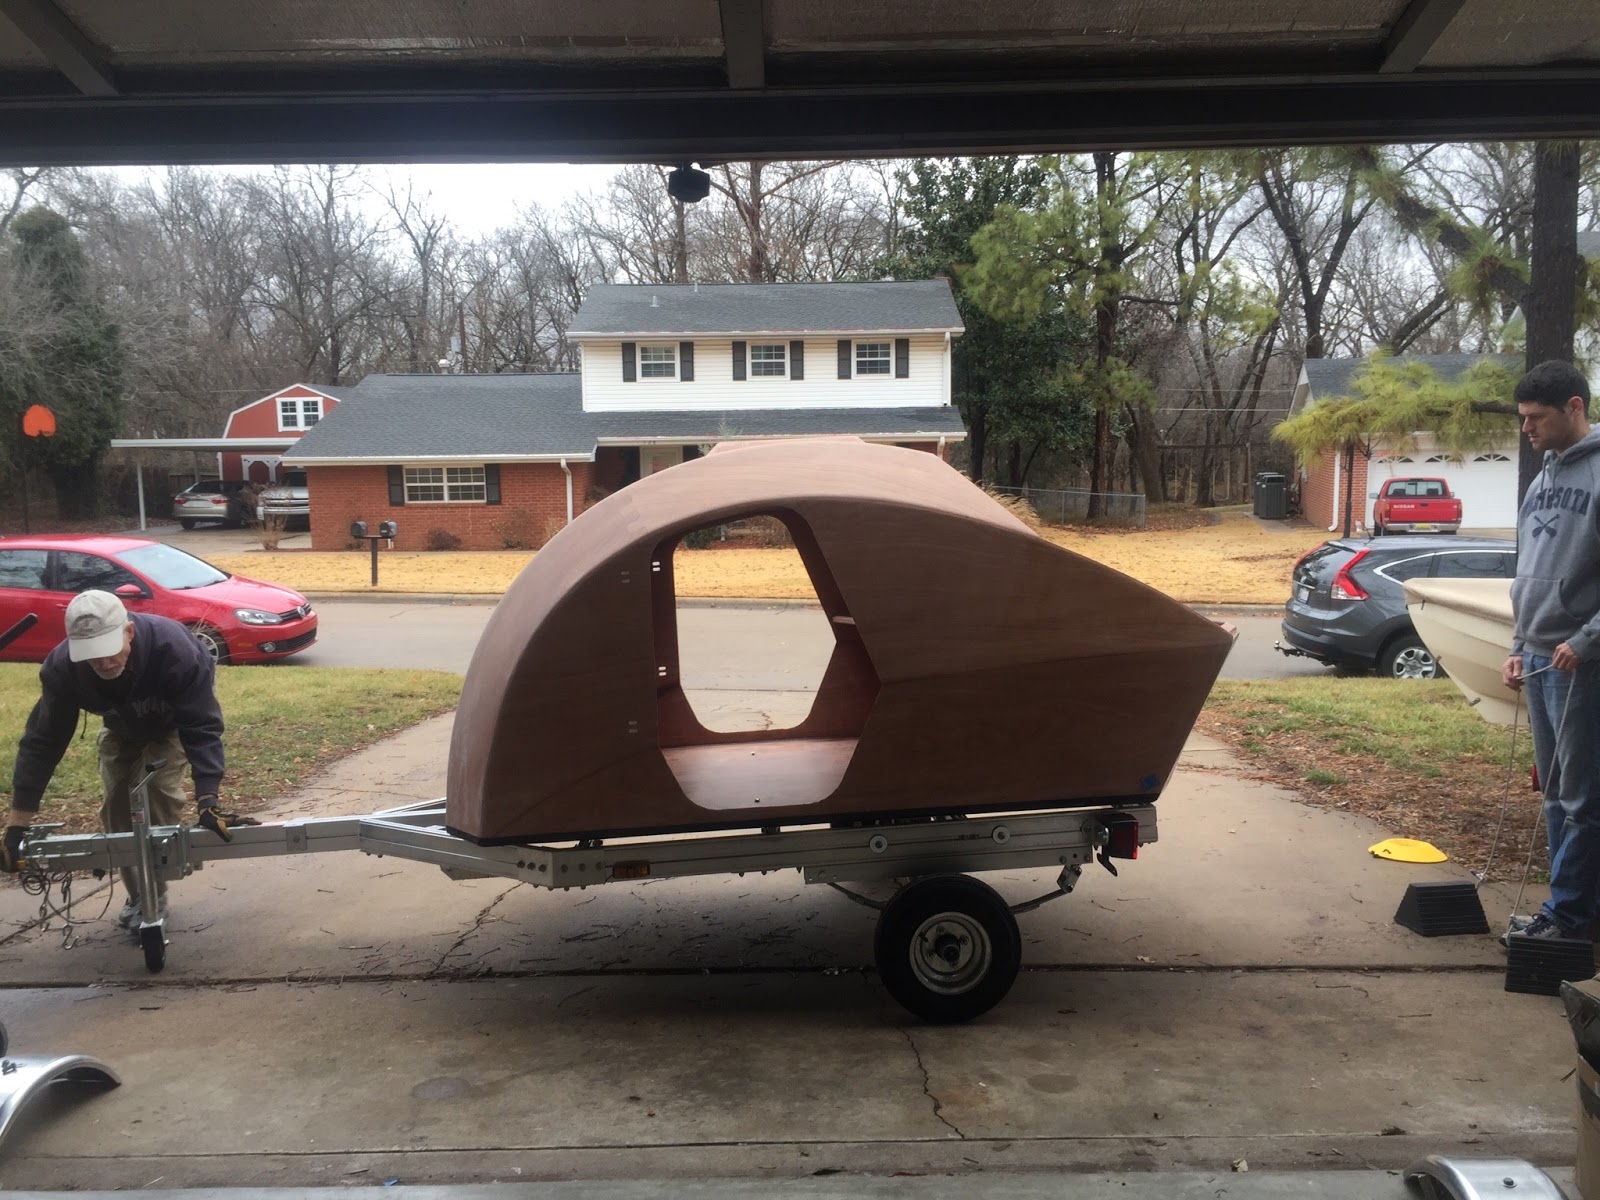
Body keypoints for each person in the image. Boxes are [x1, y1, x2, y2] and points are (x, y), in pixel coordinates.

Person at [2, 589, 247, 928]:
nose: (102, 662)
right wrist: (17, 826)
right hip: (120, 729)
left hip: (170, 726)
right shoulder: (63, 669)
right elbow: (43, 743)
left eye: (108, 650)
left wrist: (208, 800)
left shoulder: (175, 650)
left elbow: (201, 726)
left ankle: (155, 888)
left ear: (128, 632)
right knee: (119, 805)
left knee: (156, 789)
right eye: (91, 655)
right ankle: (140, 895)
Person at [1502, 359, 1600, 940]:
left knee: (1581, 796)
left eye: (1536, 418)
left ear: (1574, 408)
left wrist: (1586, 640)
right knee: (1554, 794)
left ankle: (1568, 918)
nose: (1527, 429)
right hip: (1537, 655)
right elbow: (1529, 568)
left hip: (1579, 661)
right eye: (1522, 419)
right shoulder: (1541, 479)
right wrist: (1518, 643)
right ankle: (1567, 910)